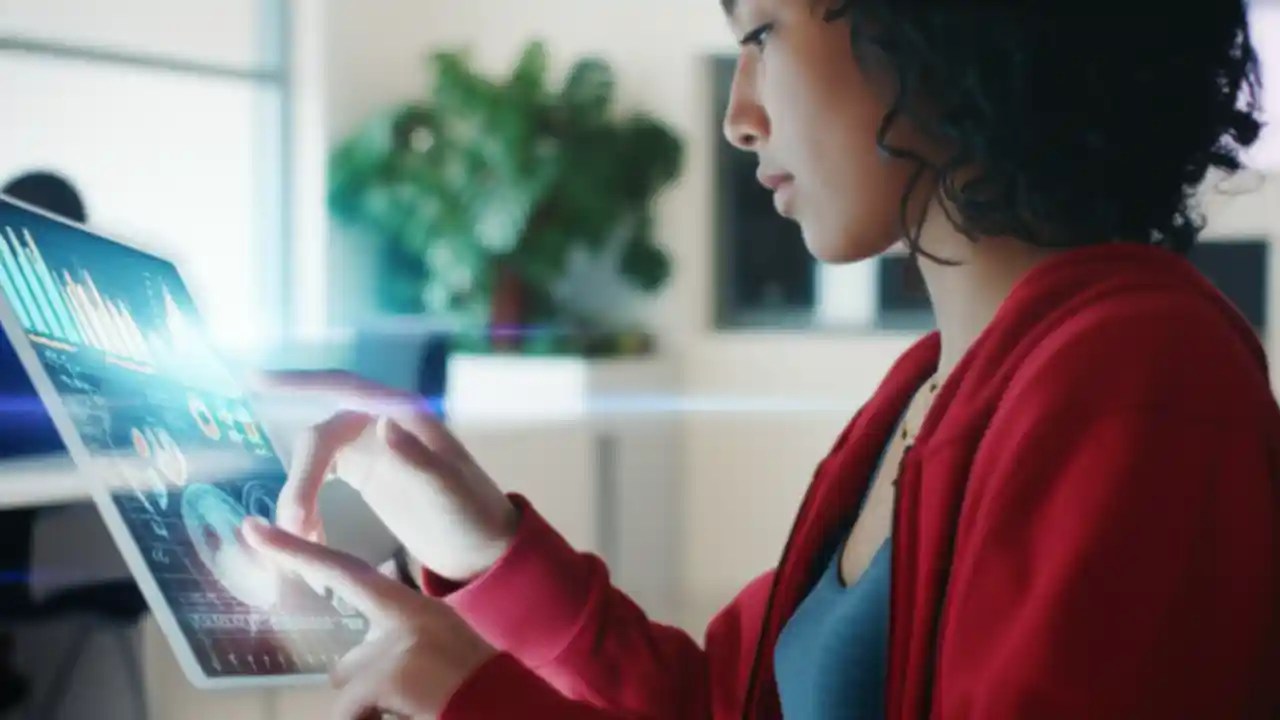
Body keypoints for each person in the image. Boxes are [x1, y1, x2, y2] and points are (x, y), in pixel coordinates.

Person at [243, 1, 1280, 718]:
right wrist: (483, 547)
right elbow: (725, 708)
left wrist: (477, 700)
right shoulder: (926, 390)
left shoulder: (1136, 378)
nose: (739, 117)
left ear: (933, 29)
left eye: (762, 35)